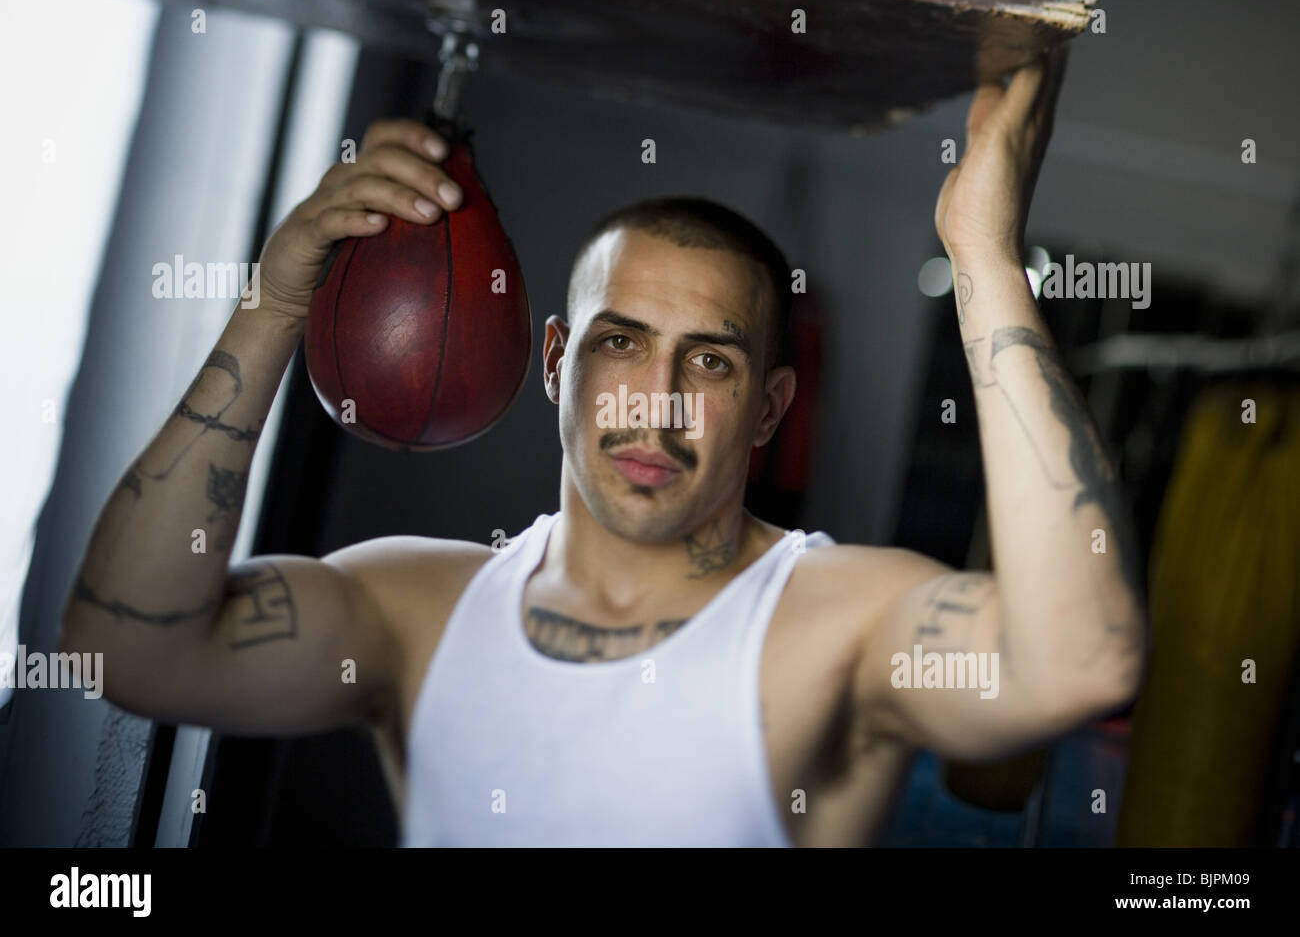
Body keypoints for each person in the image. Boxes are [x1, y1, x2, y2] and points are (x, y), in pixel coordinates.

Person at [61, 45, 1146, 846]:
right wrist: (275, 295)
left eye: (709, 361)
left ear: (768, 408)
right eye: (620, 344)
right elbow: (127, 645)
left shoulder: (840, 622)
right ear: (553, 363)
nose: (656, 400)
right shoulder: (416, 607)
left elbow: (1082, 657)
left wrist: (984, 258)